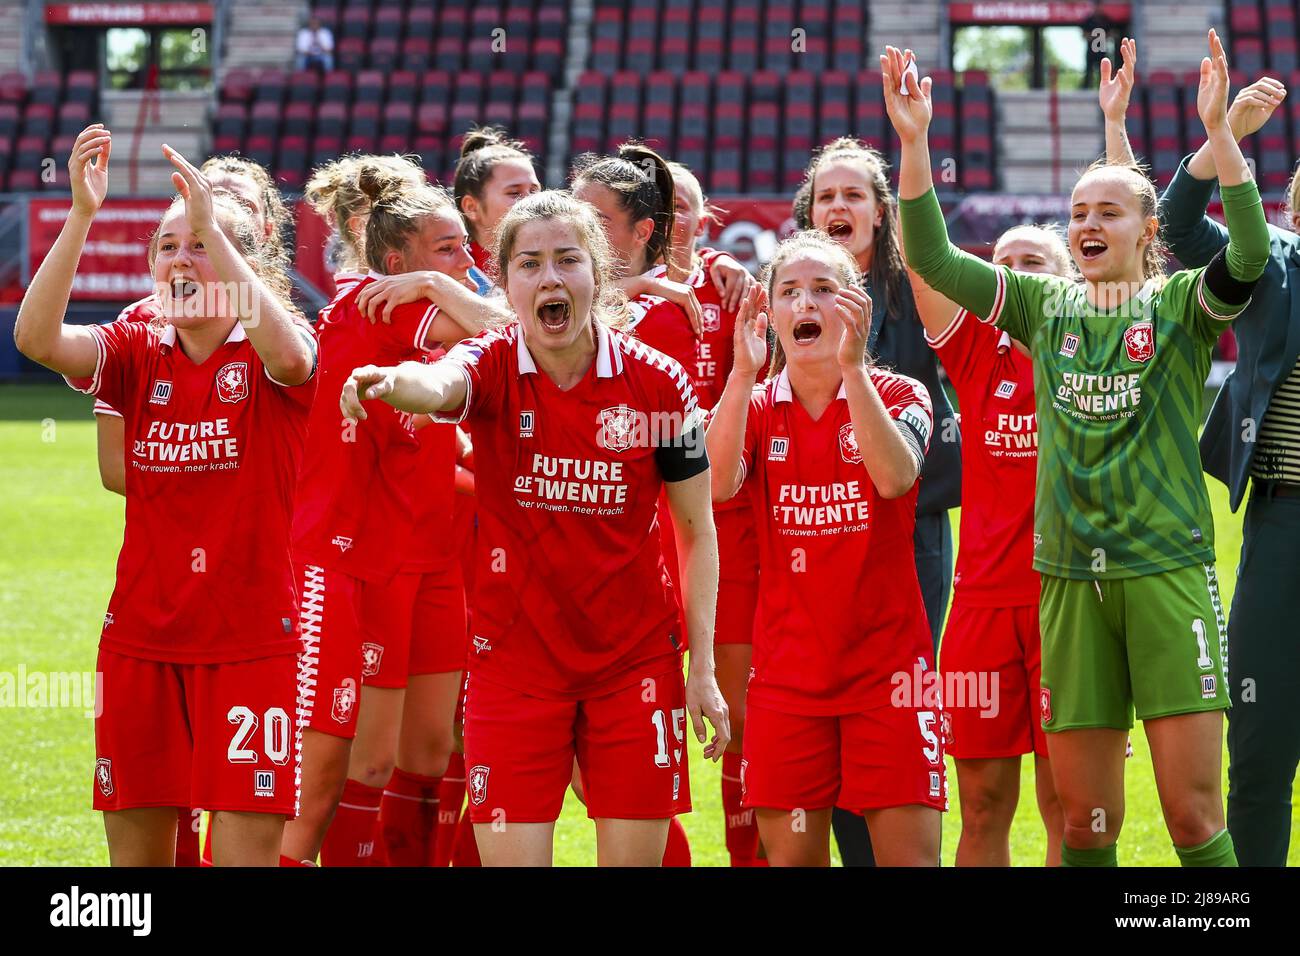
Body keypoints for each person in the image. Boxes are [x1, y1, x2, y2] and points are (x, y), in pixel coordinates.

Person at [887, 32, 1268, 867]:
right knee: (1087, 825)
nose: (1087, 224)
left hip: (1165, 573)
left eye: (1108, 212)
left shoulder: (1179, 307)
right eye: (1078, 213)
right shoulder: (1041, 306)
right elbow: (932, 257)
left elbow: (1246, 255)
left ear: (1146, 232)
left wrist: (1222, 140)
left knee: (1193, 817)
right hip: (1067, 585)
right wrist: (914, 143)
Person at [338, 189, 730, 866]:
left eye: (567, 260)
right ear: (507, 282)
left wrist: (704, 669)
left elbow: (697, 529)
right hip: (513, 665)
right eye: (530, 264)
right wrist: (390, 380)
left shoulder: (660, 384)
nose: (550, 278)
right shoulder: (490, 361)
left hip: (634, 661)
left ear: (597, 273)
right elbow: (439, 386)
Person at [15, 125, 317, 865]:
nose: (180, 259)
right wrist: (82, 215)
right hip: (140, 644)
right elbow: (37, 339)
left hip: (251, 647)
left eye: (199, 245)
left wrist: (218, 232)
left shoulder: (276, 352)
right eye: (166, 245)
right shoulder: (133, 347)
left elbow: (295, 356)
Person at [1105, 41, 1300, 867]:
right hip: (1284, 526)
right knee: (1258, 743)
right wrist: (1218, 139)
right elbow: (1175, 227)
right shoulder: (1277, 265)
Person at [283, 163, 503, 866]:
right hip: (360, 561)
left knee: (429, 754)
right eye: (446, 249)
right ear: (393, 261)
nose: (466, 259)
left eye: (463, 246)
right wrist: (441, 287)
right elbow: (538, 333)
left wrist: (442, 280)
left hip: (430, 555)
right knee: (357, 770)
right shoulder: (379, 302)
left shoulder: (422, 306)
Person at [706, 231, 945, 866]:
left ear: (855, 306)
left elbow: (895, 478)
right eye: (790, 292)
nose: (805, 304)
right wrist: (740, 372)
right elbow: (718, 481)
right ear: (769, 311)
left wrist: (853, 370)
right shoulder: (754, 404)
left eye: (823, 290)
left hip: (891, 677)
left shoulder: (899, 393)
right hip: (788, 682)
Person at [794, 135, 963, 864]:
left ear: (879, 213)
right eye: (826, 196)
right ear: (808, 212)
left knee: (895, 712)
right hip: (813, 537)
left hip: (909, 533)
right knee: (826, 709)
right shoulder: (786, 296)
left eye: (853, 195)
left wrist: (914, 140)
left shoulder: (915, 288)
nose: (839, 206)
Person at [906, 225, 1071, 865]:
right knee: (979, 808)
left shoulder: (1097, 349)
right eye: (1002, 265)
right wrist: (914, 143)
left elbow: (1132, 258)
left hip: (1068, 602)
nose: (1014, 274)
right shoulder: (975, 352)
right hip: (980, 611)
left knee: (1070, 809)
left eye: (1034, 263)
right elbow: (925, 261)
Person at [666, 160, 765, 865]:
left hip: (717, 529)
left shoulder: (734, 293)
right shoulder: (592, 291)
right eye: (659, 205)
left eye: (686, 208)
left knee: (739, 717)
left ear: (706, 221)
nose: (671, 218)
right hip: (622, 531)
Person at [452, 126, 542, 278]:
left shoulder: (556, 265)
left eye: (534, 191)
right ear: (471, 207)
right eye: (514, 193)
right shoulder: (454, 275)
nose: (530, 201)